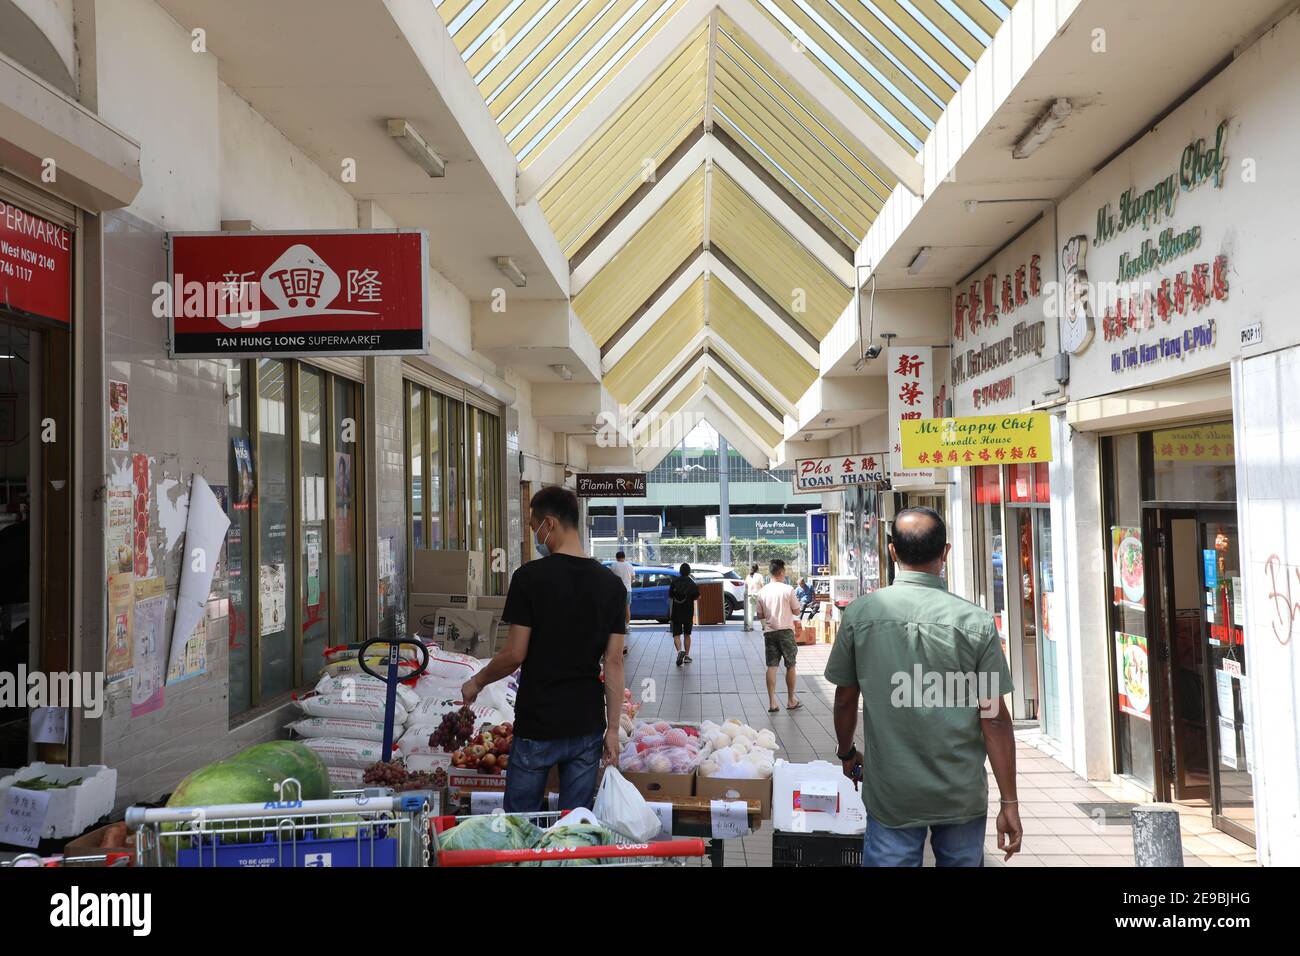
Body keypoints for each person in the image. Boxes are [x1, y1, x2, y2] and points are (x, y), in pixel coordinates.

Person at [824, 507, 1020, 867]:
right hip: (958, 794)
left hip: (892, 794)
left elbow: (845, 700)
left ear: (892, 551)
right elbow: (993, 718)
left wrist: (846, 752)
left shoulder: (860, 615)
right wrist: (1009, 802)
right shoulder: (975, 622)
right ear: (945, 553)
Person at [461, 485, 626, 813]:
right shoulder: (612, 586)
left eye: (533, 525)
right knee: (574, 824)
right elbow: (614, 663)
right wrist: (613, 728)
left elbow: (514, 654)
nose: (534, 533)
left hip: (539, 722)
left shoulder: (529, 579)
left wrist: (476, 682)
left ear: (549, 523)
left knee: (521, 823)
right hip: (586, 725)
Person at [756, 559, 802, 713]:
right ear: (781, 572)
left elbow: (759, 614)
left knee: (771, 666)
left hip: (769, 632)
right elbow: (796, 611)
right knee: (790, 665)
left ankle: (772, 703)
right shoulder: (788, 589)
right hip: (786, 632)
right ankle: (791, 700)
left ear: (770, 573)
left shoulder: (762, 591)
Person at [668, 562, 699, 667]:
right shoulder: (692, 583)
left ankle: (679, 652)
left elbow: (670, 595)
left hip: (676, 611)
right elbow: (697, 596)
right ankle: (686, 656)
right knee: (687, 634)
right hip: (688, 611)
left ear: (680, 571)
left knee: (676, 634)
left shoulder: (674, 582)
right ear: (689, 572)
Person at [611, 549, 635, 654]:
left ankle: (617, 624)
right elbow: (633, 578)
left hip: (616, 590)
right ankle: (627, 625)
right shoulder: (629, 565)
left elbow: (610, 577)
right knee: (627, 608)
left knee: (616, 608)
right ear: (624, 557)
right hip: (628, 590)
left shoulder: (613, 565)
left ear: (616, 557)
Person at [745, 563, 764, 630]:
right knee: (761, 611)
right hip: (758, 595)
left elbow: (746, 586)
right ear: (757, 569)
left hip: (750, 595)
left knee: (750, 612)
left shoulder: (748, 576)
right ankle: (764, 626)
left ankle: (750, 626)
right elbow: (762, 586)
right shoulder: (759, 576)